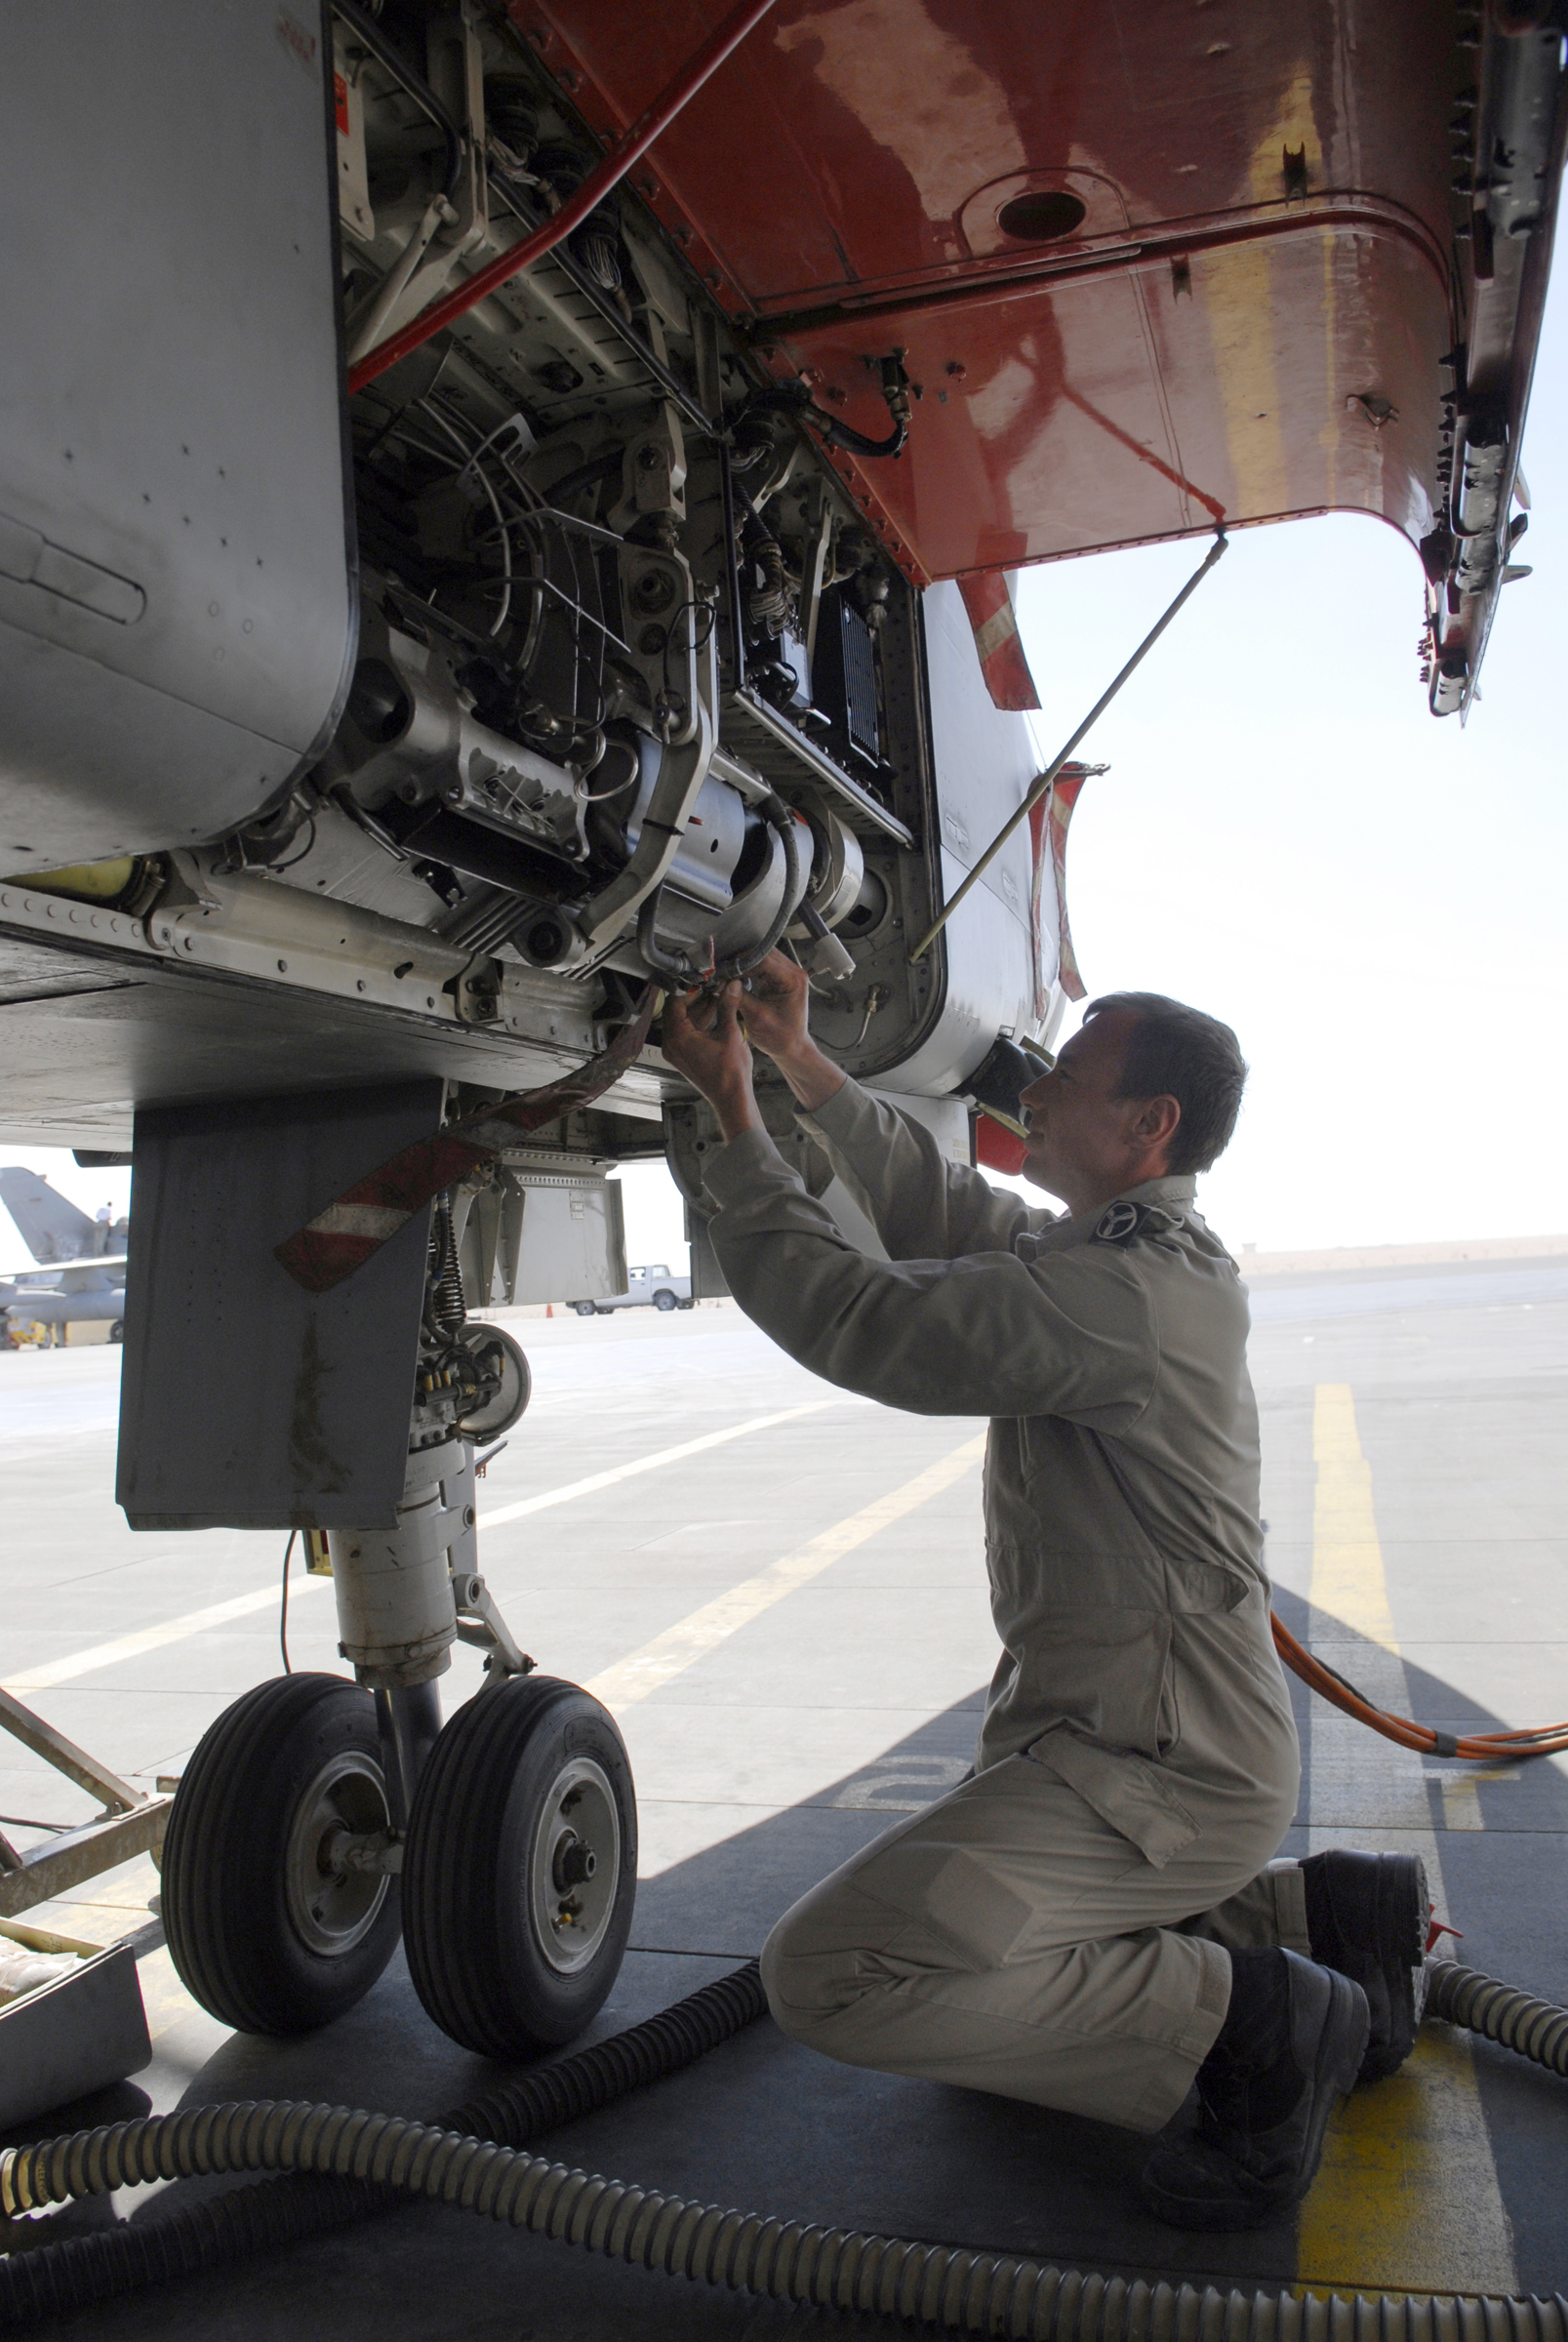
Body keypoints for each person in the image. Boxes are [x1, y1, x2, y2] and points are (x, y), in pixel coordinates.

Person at [661, 953, 1427, 2232]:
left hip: (1162, 1773)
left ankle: (1255, 2030)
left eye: (1068, 1076)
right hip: (1133, 1746)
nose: (1038, 1088)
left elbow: (873, 1320)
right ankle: (1322, 1921)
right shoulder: (1121, 1253)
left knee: (838, 1974)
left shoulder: (1124, 1293)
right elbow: (939, 1203)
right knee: (979, 1994)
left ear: (1147, 1126)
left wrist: (738, 1124)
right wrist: (796, 1065)